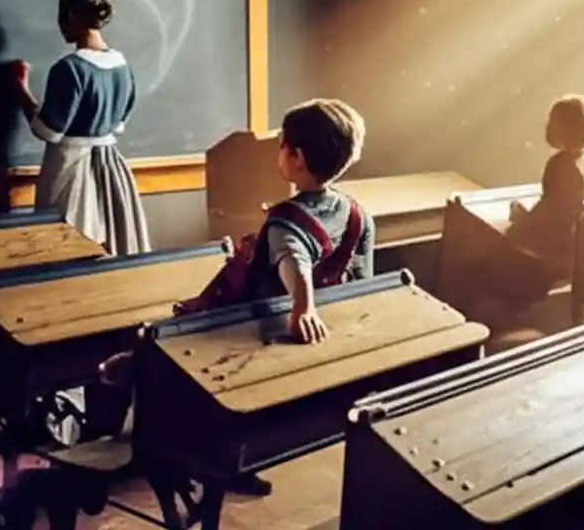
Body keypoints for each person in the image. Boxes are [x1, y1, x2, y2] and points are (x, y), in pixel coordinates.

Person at [84, 100, 373, 498]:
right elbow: (359, 281)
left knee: (137, 351)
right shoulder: (357, 214)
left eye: (282, 145)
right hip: (286, 347)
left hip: (241, 335)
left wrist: (303, 306)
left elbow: (294, 260)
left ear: (297, 157)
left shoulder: (287, 219)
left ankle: (120, 452)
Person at [10, 0, 150, 255]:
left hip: (71, 168)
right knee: (110, 244)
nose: (61, 26)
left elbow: (48, 131)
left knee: (67, 245)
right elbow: (119, 122)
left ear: (73, 16)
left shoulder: (71, 68)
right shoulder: (122, 66)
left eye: (62, 17)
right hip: (109, 167)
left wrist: (21, 89)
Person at [506, 94, 584, 276]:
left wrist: (521, 221)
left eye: (551, 122)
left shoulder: (559, 164)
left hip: (563, 246)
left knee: (504, 241)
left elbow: (548, 212)